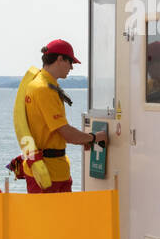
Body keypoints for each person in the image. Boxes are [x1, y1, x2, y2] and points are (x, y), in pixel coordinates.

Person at [21, 40, 107, 193]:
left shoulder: (37, 84)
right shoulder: (44, 89)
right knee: (52, 217)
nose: (72, 67)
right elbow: (66, 133)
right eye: (70, 62)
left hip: (48, 169)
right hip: (48, 173)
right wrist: (94, 137)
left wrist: (83, 139)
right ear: (60, 59)